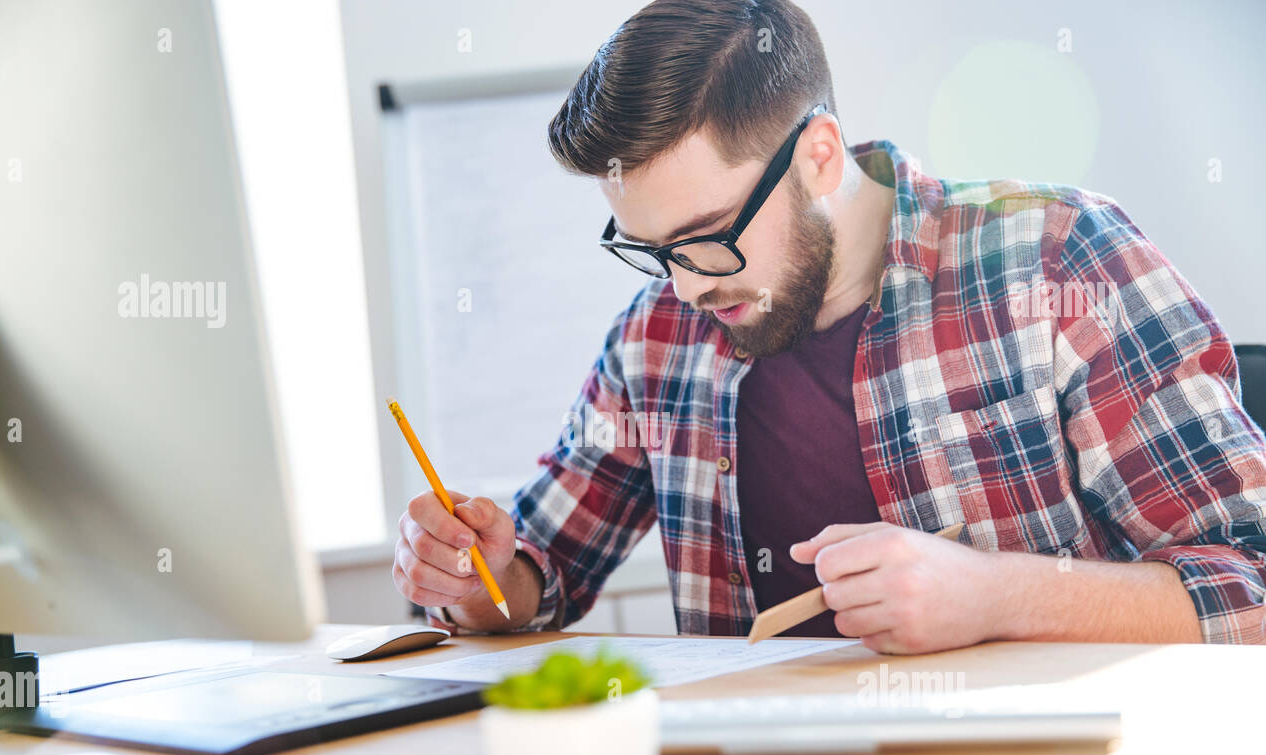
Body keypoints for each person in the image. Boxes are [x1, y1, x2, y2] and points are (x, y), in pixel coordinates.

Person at [394, 0, 1266, 653]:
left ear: (818, 156)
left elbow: (1251, 592)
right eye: (656, 251)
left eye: (708, 240)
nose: (688, 287)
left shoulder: (1059, 258)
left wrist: (997, 596)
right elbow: (539, 578)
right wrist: (478, 580)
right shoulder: (653, 338)